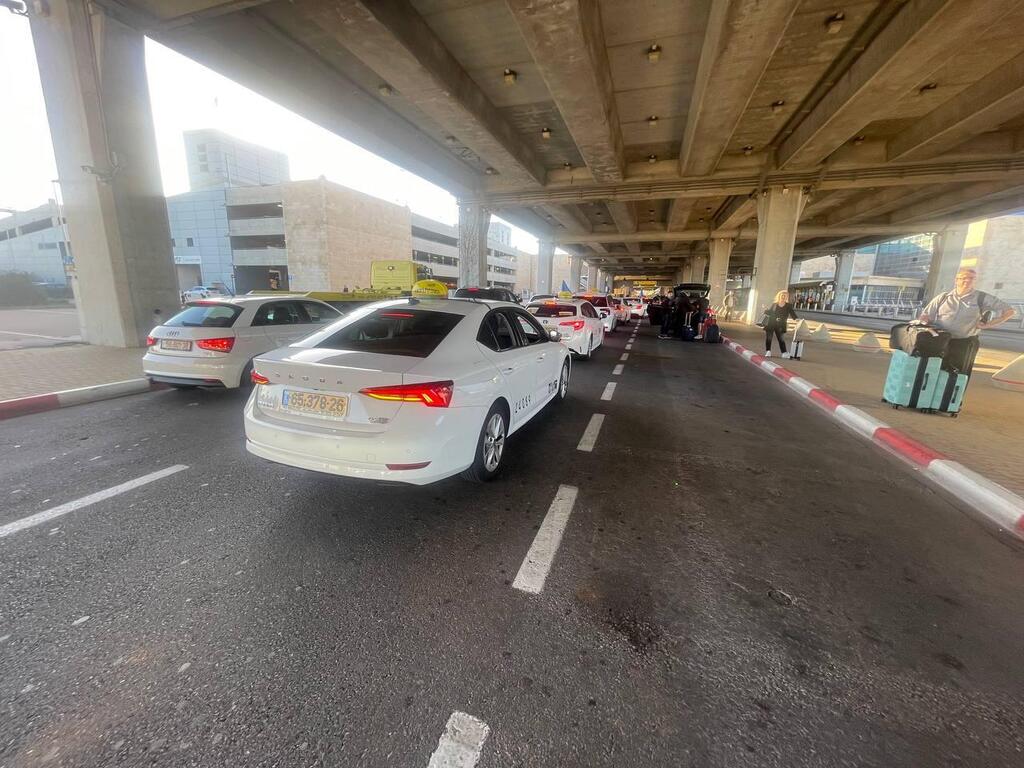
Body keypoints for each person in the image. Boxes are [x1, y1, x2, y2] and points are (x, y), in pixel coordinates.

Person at [918, 267, 1015, 373]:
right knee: (932, 372)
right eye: (964, 278)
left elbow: (1009, 311)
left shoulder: (982, 298)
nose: (968, 280)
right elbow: (926, 315)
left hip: (964, 344)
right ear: (956, 280)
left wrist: (989, 324)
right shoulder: (943, 297)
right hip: (939, 341)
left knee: (958, 375)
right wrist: (923, 322)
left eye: (972, 278)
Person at [761, 290, 798, 358]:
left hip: (781, 324)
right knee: (769, 338)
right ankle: (768, 351)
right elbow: (770, 313)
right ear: (779, 296)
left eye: (785, 295)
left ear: (786, 297)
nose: (783, 297)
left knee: (781, 339)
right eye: (782, 295)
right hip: (771, 323)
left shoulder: (788, 305)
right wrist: (766, 310)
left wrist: (796, 319)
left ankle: (784, 353)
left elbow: (792, 313)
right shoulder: (774, 304)